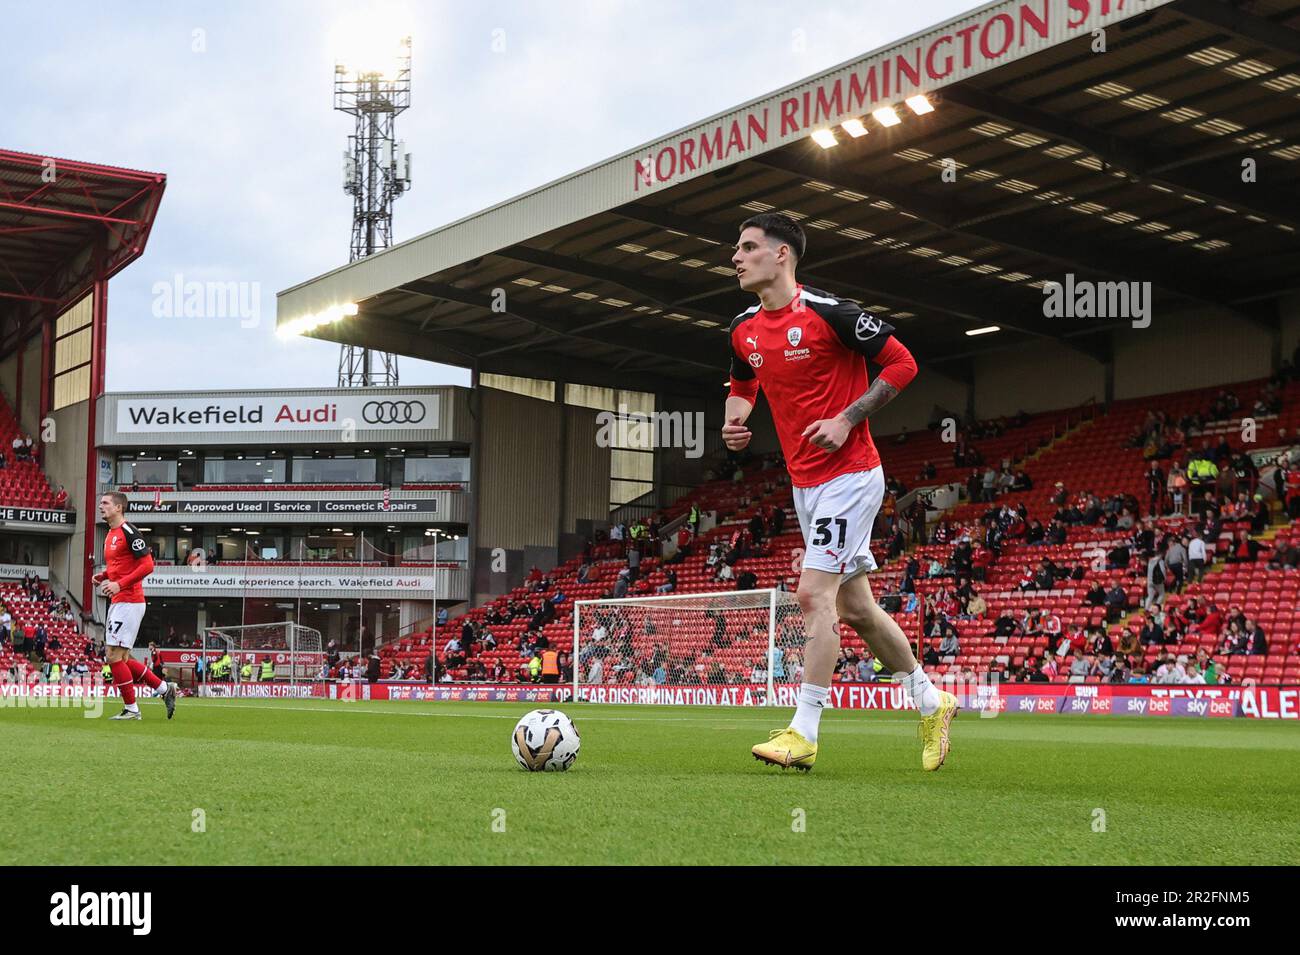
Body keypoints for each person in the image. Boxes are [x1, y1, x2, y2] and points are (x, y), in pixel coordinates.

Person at [723, 211, 954, 773]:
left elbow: (903, 362)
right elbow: (743, 381)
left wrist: (848, 418)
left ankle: (804, 731)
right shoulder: (743, 328)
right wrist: (735, 420)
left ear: (782, 255)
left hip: (850, 474)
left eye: (748, 247)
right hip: (805, 484)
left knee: (812, 595)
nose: (735, 256)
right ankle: (931, 698)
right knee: (858, 608)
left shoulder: (833, 314)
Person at [93, 491, 175, 720]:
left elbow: (148, 565)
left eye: (105, 503)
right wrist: (104, 575)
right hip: (120, 601)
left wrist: (119, 584)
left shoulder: (129, 531)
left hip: (129, 601)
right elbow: (122, 565)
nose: (101, 506)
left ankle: (132, 709)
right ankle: (163, 689)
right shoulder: (110, 534)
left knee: (113, 655)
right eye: (100, 503)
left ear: (119, 507)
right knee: (123, 658)